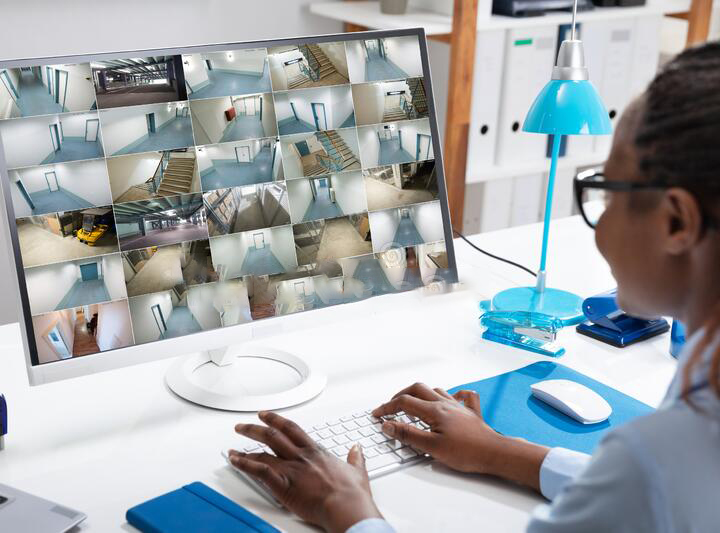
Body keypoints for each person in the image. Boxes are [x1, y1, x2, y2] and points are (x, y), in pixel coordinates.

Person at [228, 42, 720, 532]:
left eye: (606, 191)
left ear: (677, 222)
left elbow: (647, 487)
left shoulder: (659, 456)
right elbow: (644, 501)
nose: (602, 226)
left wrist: (347, 510)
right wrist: (499, 451)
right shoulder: (698, 389)